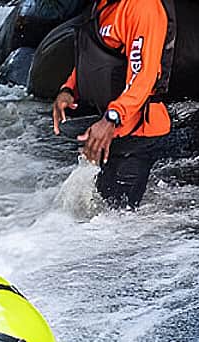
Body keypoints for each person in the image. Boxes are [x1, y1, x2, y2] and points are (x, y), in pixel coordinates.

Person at [51, 0, 174, 209]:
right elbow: (94, 53)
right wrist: (69, 89)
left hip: (139, 134)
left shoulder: (144, 7)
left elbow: (144, 76)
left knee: (115, 222)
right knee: (91, 213)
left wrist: (111, 118)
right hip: (110, 132)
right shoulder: (100, 5)